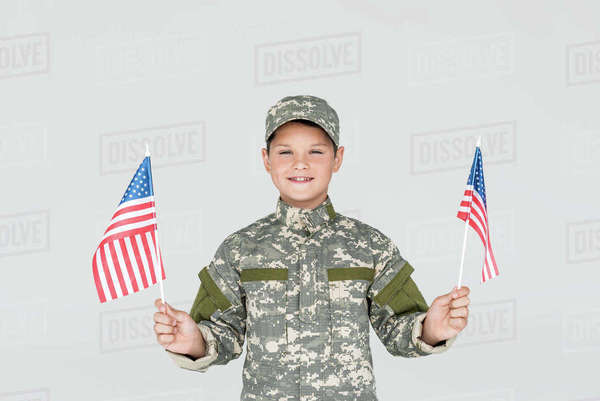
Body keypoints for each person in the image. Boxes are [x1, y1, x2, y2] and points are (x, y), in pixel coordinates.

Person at [153, 95, 471, 401]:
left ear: (338, 158)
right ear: (266, 160)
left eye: (316, 152)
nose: (300, 164)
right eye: (285, 152)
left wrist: (431, 329)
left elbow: (398, 327)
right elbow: (221, 334)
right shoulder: (240, 249)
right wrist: (192, 341)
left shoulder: (370, 246)